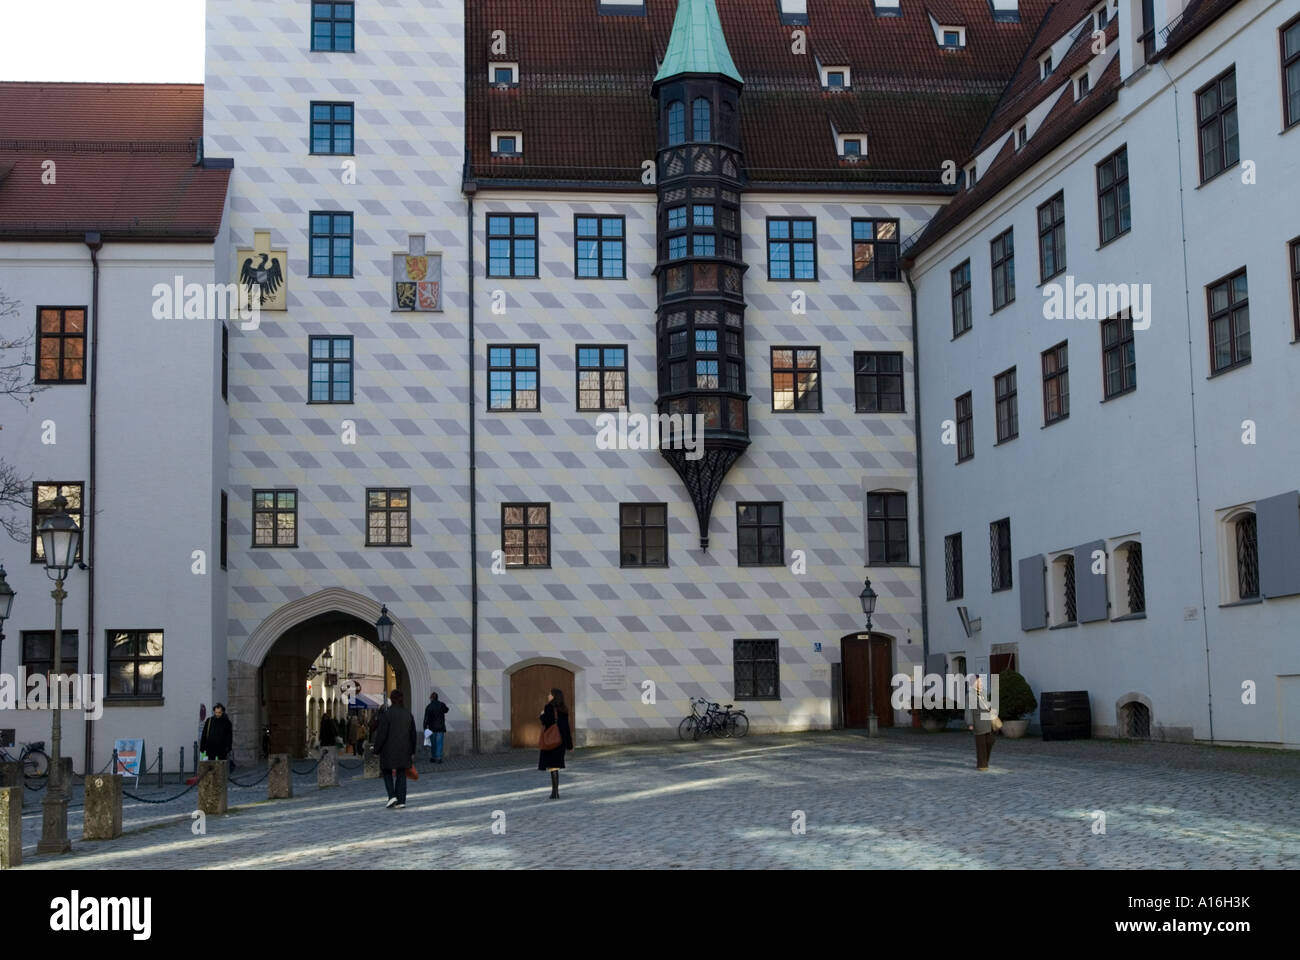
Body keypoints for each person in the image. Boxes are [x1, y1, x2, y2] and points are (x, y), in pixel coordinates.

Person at [372, 689, 416, 809]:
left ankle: (392, 796)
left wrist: (376, 750)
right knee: (401, 773)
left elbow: (382, 734)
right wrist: (412, 751)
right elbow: (413, 734)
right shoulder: (408, 714)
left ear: (391, 699)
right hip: (404, 750)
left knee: (387, 772)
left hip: (388, 750)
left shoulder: (387, 714)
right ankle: (401, 800)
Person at [538, 688, 574, 799]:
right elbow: (567, 728)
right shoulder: (564, 709)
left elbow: (547, 722)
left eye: (549, 694)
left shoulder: (548, 707)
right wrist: (569, 745)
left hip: (551, 741)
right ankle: (555, 792)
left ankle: (555, 793)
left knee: (553, 766)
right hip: (561, 741)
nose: (548, 696)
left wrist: (542, 715)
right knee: (555, 766)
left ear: (554, 696)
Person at [965, 675, 997, 771]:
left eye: (981, 682)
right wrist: (970, 723)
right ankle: (981, 764)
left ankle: (985, 761)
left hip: (987, 720)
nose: (981, 683)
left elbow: (986, 704)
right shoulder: (969, 695)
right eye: (979, 682)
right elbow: (968, 710)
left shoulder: (983, 692)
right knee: (981, 744)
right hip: (977, 720)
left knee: (990, 741)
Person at [423, 691, 450, 764]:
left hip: (432, 728)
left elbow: (426, 719)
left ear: (431, 698)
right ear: (437, 698)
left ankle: (433, 757)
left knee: (433, 743)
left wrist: (425, 727)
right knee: (439, 743)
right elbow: (447, 710)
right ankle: (439, 758)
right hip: (440, 727)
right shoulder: (441, 705)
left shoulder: (429, 707)